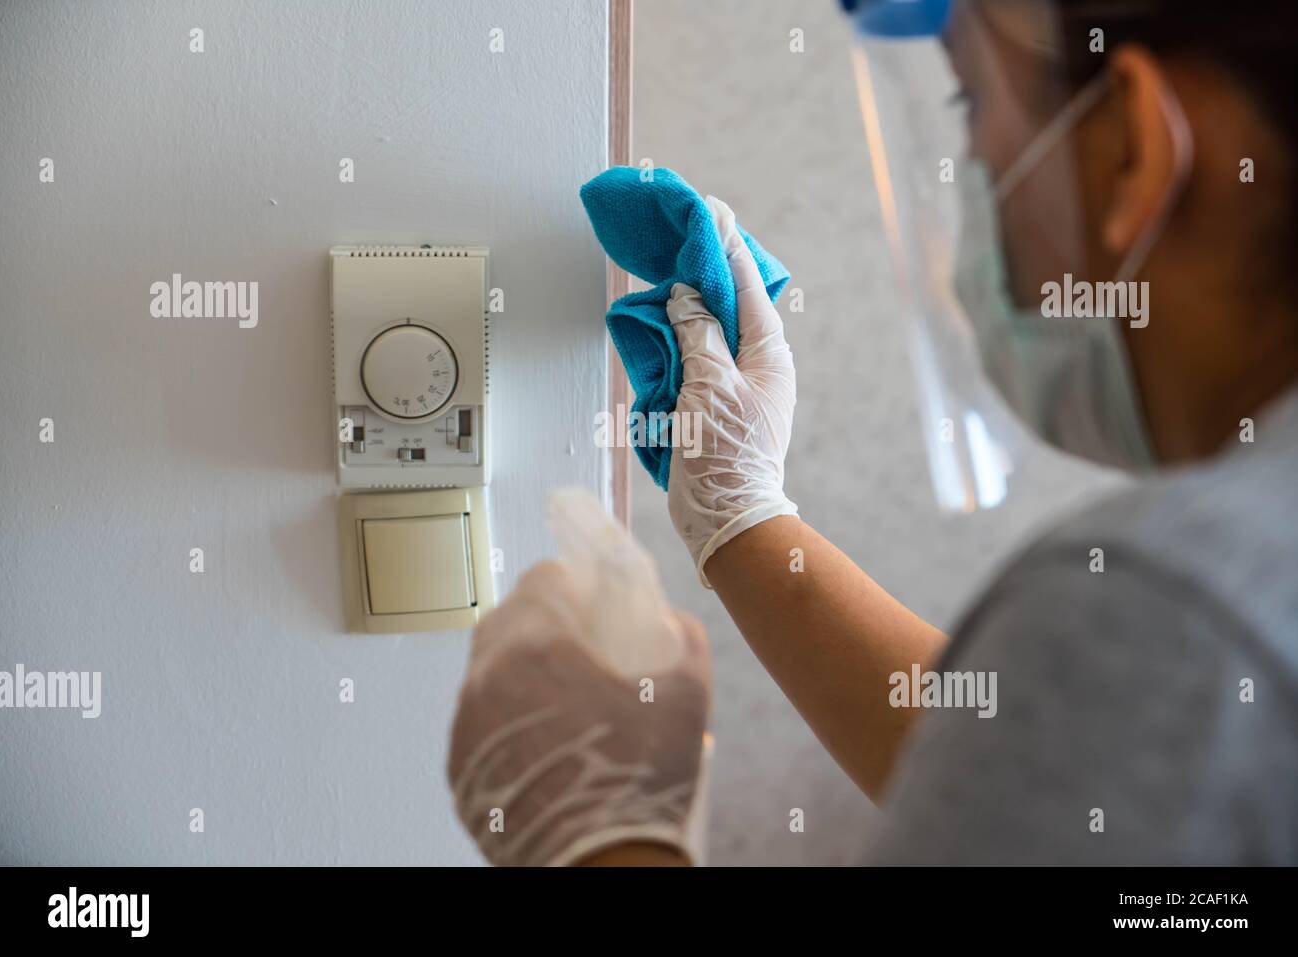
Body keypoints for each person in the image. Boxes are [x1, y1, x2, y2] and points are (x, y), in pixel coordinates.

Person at [448, 0, 1298, 866]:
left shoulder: (1187, 611)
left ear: (1133, 148)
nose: (972, 169)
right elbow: (1055, 787)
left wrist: (600, 835)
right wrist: (741, 519)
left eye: (969, 104)